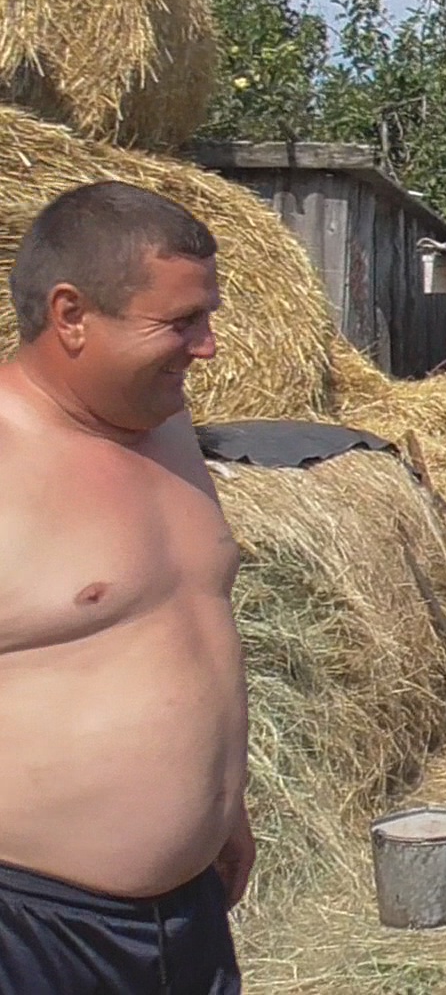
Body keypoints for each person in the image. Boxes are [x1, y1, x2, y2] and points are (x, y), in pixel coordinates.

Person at [0, 181, 253, 993]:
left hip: (191, 917)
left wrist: (220, 803)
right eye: (181, 322)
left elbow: (181, 629)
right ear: (71, 315)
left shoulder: (167, 426)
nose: (207, 346)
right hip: (37, 931)